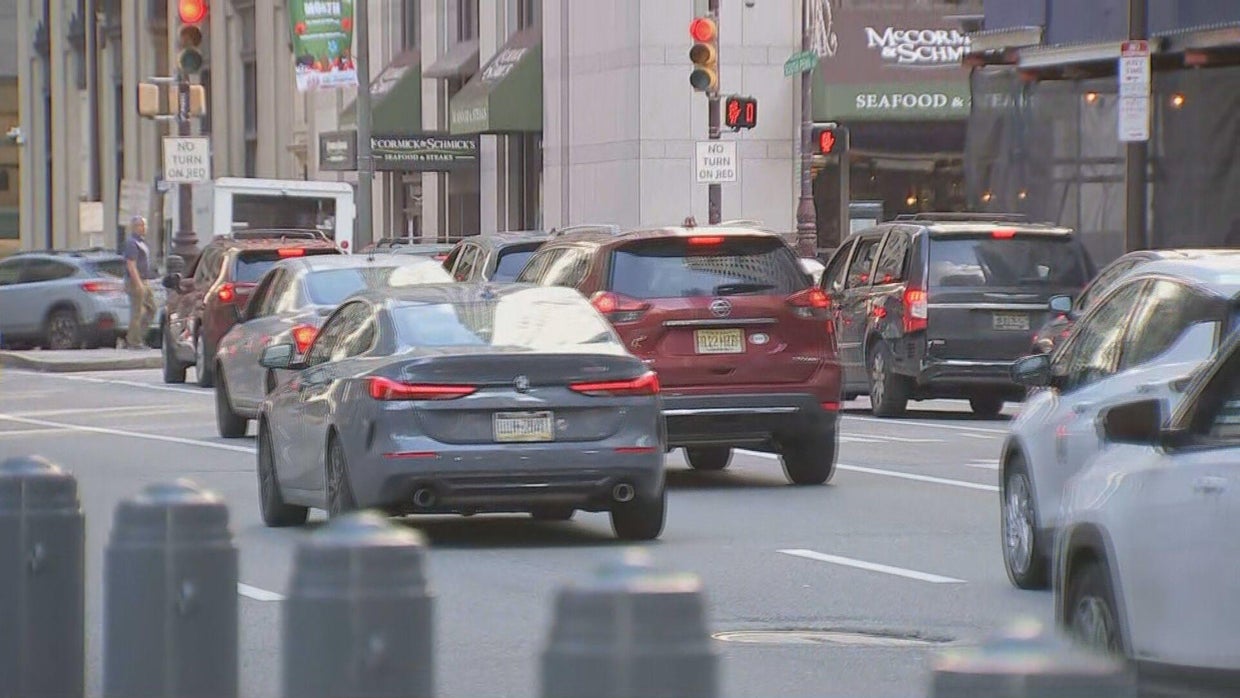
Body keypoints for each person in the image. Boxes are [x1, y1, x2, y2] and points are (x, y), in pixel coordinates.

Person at [122, 215, 158, 349]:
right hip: (136, 281)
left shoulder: (141, 242)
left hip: (145, 280)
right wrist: (138, 283)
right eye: (141, 225)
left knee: (151, 308)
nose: (144, 228)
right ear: (134, 227)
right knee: (137, 311)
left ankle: (138, 336)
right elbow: (131, 264)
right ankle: (134, 341)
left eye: (144, 225)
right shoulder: (131, 243)